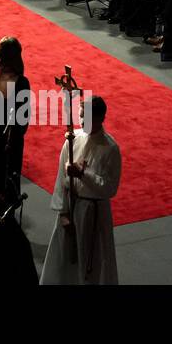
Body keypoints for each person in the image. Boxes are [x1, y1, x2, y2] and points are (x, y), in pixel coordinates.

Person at [40, 95, 121, 285]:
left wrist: (84, 175)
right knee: (64, 261)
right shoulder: (72, 140)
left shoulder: (110, 148)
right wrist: (62, 212)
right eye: (81, 115)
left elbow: (110, 188)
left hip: (93, 213)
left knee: (91, 262)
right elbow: (61, 179)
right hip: (71, 207)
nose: (83, 121)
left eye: (89, 117)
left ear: (101, 119)